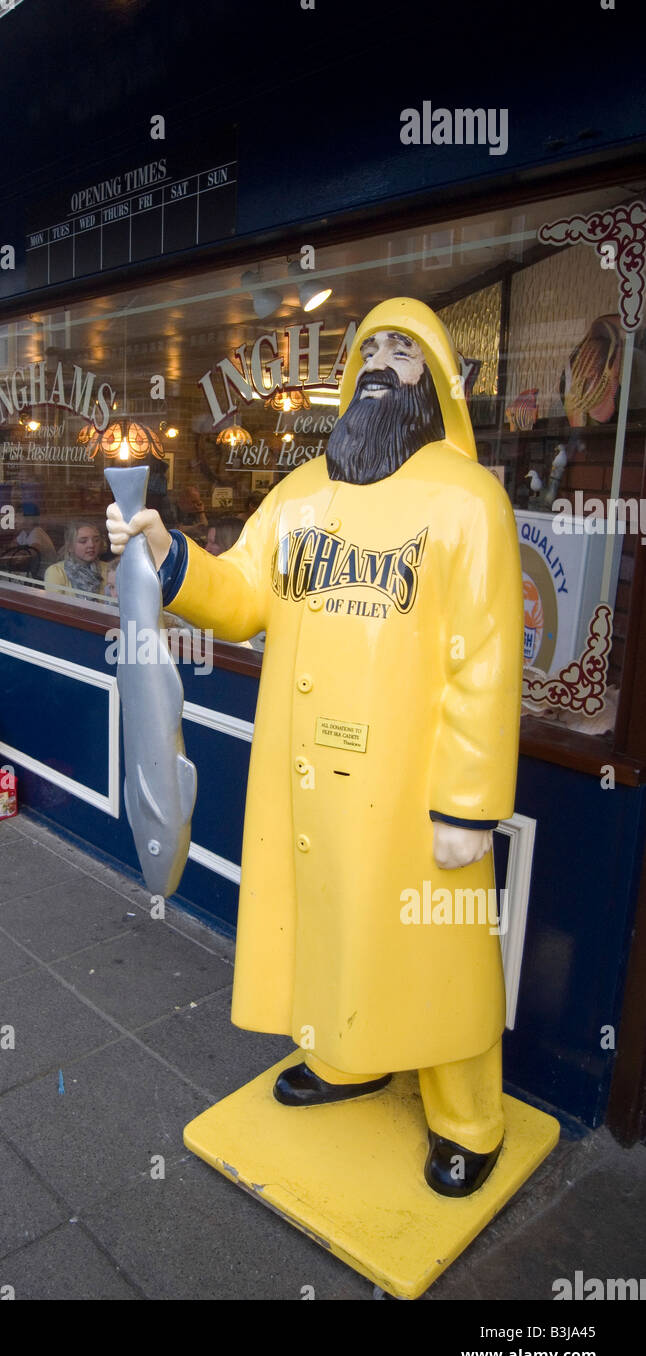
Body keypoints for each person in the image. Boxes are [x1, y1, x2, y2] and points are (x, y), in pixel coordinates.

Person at [106, 298, 522, 1198]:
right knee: (333, 923)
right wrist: (169, 554)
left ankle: (468, 1117)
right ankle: (345, 1058)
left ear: (436, 377)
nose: (381, 361)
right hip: (309, 774)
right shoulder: (301, 492)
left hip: (414, 789)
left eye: (403, 350)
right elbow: (246, 592)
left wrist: (468, 804)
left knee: (437, 951)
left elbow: (489, 665)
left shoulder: (470, 501)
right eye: (369, 347)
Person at [44, 520, 107, 596]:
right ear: (70, 546)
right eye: (83, 541)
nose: (91, 545)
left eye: (96, 540)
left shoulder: (109, 569)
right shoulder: (56, 572)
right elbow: (56, 606)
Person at [16, 502, 57, 570]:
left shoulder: (37, 532)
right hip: (34, 573)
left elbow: (31, 554)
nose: (15, 520)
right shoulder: (24, 533)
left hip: (43, 576)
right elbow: (11, 548)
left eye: (18, 517)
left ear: (30, 520)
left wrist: (19, 555)